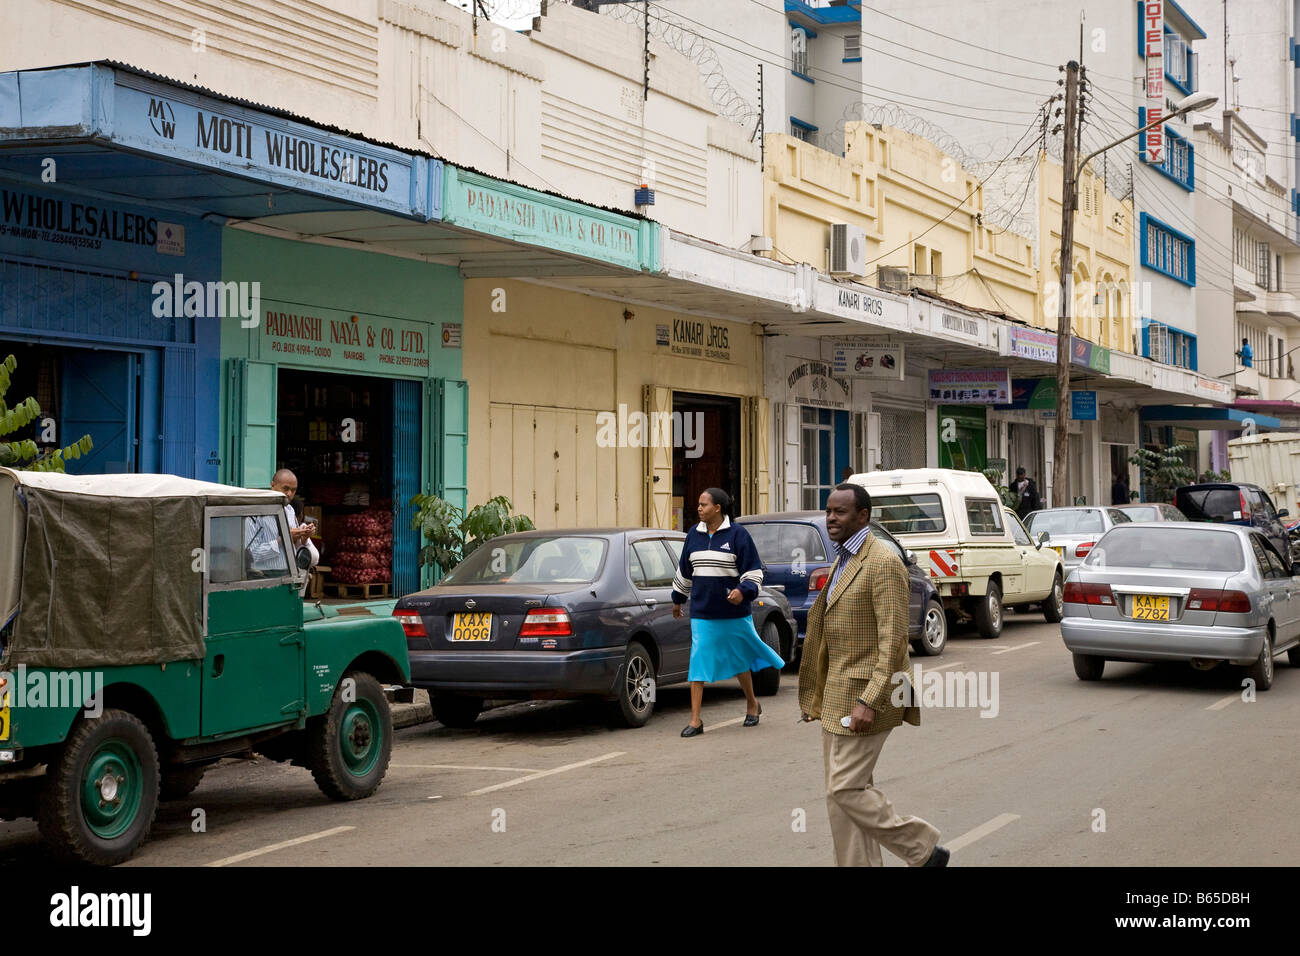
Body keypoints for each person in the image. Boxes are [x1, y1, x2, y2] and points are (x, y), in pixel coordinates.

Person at [798, 483, 948, 867]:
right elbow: (830, 632)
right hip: (837, 693)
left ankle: (923, 848)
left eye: (841, 512)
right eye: (829, 510)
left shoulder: (882, 562)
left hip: (870, 694)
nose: (831, 518)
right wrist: (816, 695)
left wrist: (870, 698)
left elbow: (894, 639)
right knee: (841, 795)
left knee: (845, 787)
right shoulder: (843, 559)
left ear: (862, 516)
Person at [671, 487, 784, 737]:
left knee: (740, 660)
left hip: (733, 613)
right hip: (702, 613)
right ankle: (695, 720)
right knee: (698, 661)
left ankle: (752, 704)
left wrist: (742, 591)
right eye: (699, 505)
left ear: (718, 508)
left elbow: (754, 572)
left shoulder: (738, 535)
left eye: (704, 505)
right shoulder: (693, 535)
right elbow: (684, 572)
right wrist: (677, 600)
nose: (699, 508)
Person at [272, 468, 320, 594]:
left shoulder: (290, 511)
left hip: (291, 573)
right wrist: (284, 538)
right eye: (285, 489)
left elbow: (295, 545)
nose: (289, 494)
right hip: (269, 576)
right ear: (272, 486)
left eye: (293, 490)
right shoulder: (260, 512)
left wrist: (303, 536)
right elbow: (255, 553)